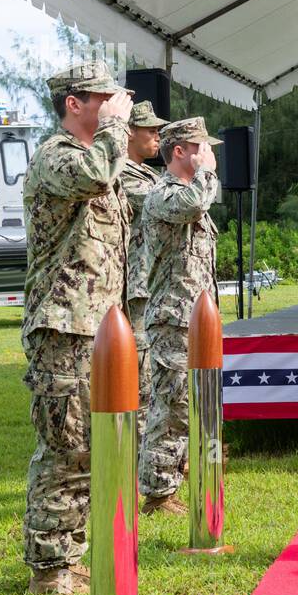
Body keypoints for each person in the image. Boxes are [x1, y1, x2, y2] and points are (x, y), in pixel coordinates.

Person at [21, 61, 132, 595]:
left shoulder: (100, 161)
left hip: (99, 329)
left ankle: (71, 554)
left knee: (93, 447)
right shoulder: (56, 158)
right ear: (74, 103)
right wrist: (114, 130)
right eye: (104, 98)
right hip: (63, 327)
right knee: (65, 447)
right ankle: (49, 569)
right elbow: (95, 174)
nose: (115, 106)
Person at [138, 117, 221, 514]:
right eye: (200, 148)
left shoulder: (190, 192)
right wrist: (206, 174)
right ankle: (158, 492)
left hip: (195, 318)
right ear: (179, 152)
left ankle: (176, 475)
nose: (208, 156)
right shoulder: (165, 194)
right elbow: (196, 204)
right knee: (172, 405)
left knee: (191, 401)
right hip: (173, 315)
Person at [120, 100, 169, 441]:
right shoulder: (121, 172)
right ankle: (136, 451)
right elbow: (165, 204)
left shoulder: (149, 174)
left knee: (152, 368)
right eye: (150, 130)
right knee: (139, 372)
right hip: (134, 285)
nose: (157, 136)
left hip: (152, 282)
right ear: (129, 133)